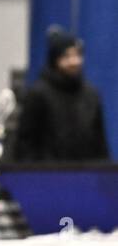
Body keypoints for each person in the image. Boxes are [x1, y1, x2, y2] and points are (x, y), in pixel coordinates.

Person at [13, 30, 110, 161]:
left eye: (77, 55)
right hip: (46, 175)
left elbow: (100, 143)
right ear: (55, 59)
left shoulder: (91, 95)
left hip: (86, 175)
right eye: (67, 56)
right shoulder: (38, 94)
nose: (74, 61)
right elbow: (25, 143)